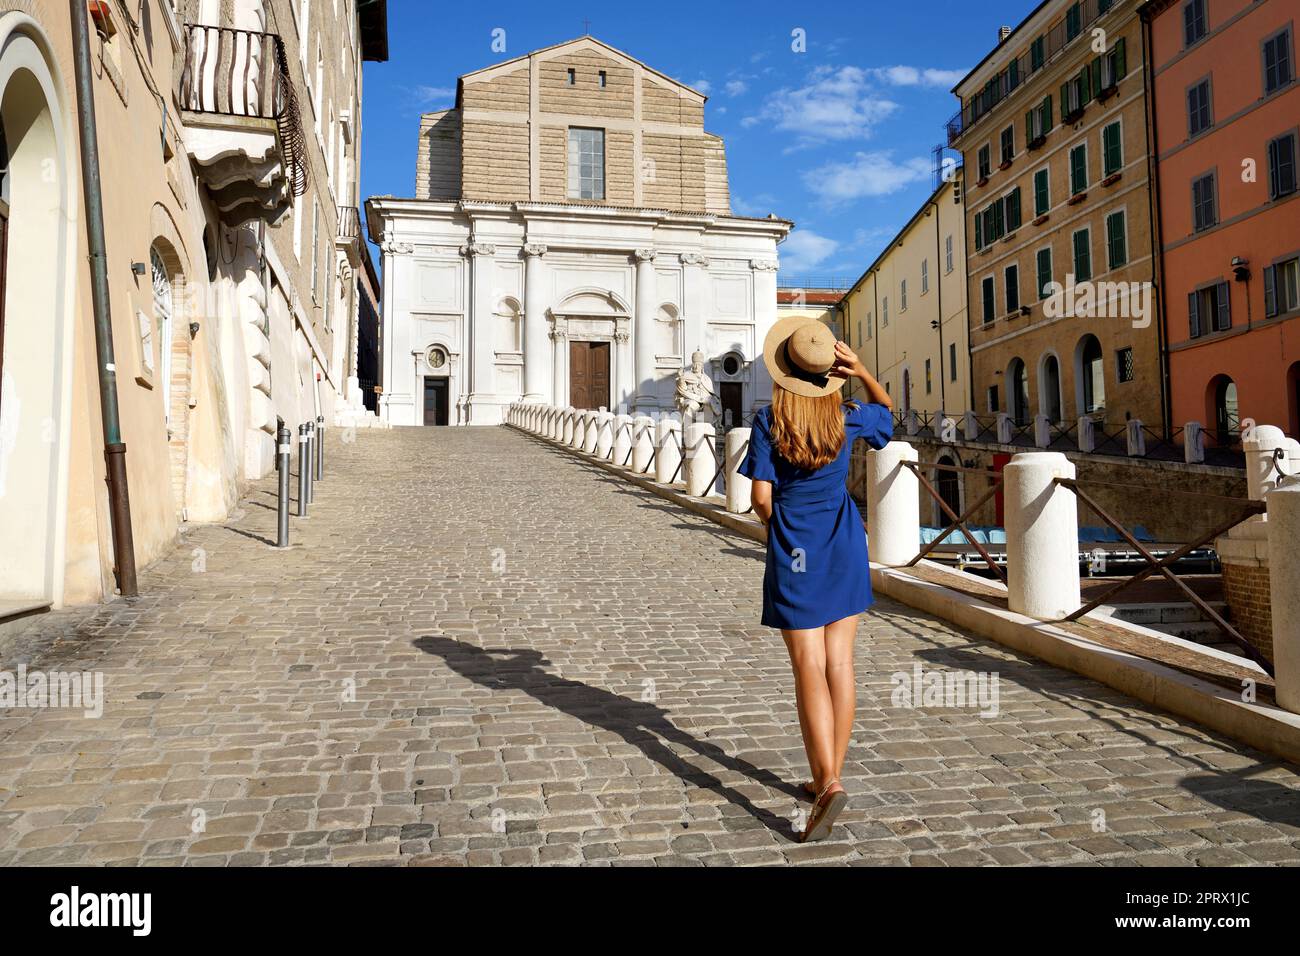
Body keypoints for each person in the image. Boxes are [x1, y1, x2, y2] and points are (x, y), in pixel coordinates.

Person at [739, 317, 893, 842]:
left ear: (783, 372)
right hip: (844, 543)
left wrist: (778, 530)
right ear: (832, 371)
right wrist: (866, 372)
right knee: (841, 663)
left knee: (808, 664)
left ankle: (826, 782)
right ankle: (831, 776)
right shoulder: (850, 416)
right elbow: (889, 418)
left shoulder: (769, 421)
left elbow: (761, 499)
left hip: (796, 548)